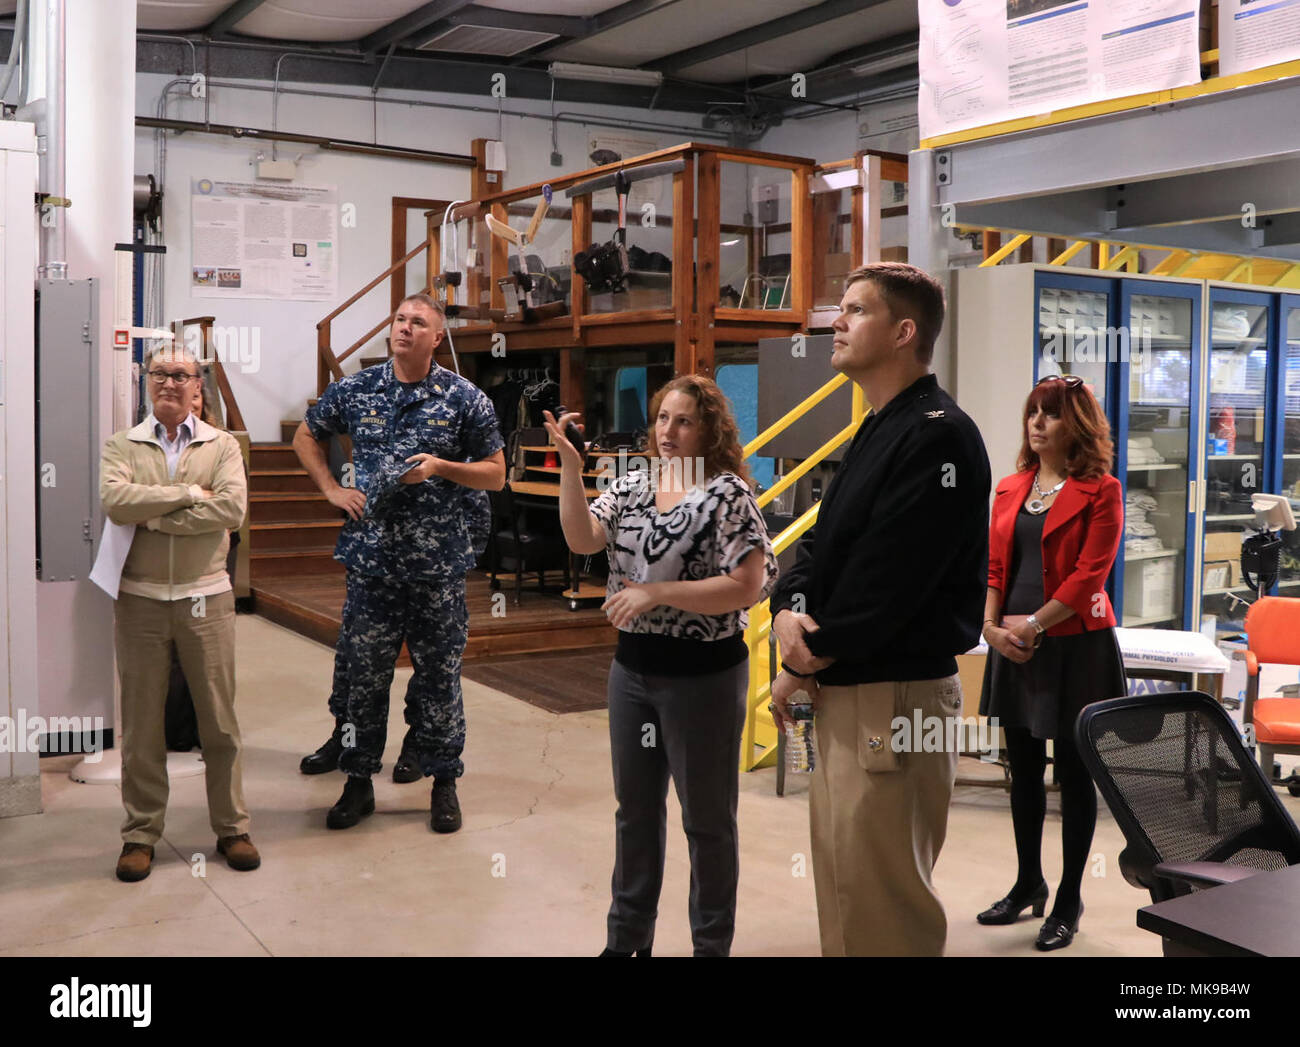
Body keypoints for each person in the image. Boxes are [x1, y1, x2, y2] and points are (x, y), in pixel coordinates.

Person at [767, 262, 991, 957]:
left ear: (903, 332)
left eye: (855, 310)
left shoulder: (938, 436)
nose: (836, 321)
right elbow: (818, 552)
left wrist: (812, 644)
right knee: (846, 897)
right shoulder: (877, 428)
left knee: (883, 914)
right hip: (849, 690)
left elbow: (892, 582)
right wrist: (786, 616)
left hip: (893, 701)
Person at [545, 376, 777, 957]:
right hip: (633, 675)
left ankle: (710, 947)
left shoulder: (725, 494)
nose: (668, 432)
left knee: (706, 823)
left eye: (684, 421)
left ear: (710, 431)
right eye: (662, 419)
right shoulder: (634, 483)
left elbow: (747, 586)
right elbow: (582, 539)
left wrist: (658, 593)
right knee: (636, 816)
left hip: (703, 678)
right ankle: (625, 945)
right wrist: (571, 471)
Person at [293, 293, 505, 832]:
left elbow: (495, 474)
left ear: (437, 338)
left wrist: (440, 467)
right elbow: (307, 434)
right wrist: (331, 491)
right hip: (373, 565)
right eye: (399, 320)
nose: (405, 328)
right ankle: (357, 780)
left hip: (437, 570)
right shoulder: (357, 389)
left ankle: (443, 782)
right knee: (363, 679)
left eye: (419, 323)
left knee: (439, 678)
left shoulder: (465, 400)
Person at [976, 374, 1124, 951]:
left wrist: (1033, 625)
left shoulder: (1102, 490)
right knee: (1022, 772)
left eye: (1051, 414)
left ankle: (1067, 900)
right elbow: (994, 569)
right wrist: (992, 629)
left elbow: (1091, 575)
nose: (1037, 423)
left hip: (1072, 644)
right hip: (1013, 641)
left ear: (1077, 425)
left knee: (1074, 775)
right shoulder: (1011, 488)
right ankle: (1027, 883)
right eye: (1033, 412)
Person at [100, 345, 255, 882]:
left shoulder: (224, 446)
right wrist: (190, 494)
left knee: (219, 721)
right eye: (160, 373)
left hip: (206, 596)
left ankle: (232, 827)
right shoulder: (123, 444)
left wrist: (159, 518)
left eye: (181, 374)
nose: (170, 382)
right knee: (142, 726)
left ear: (197, 387)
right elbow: (115, 502)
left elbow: (231, 509)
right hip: (139, 598)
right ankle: (140, 834)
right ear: (147, 382)